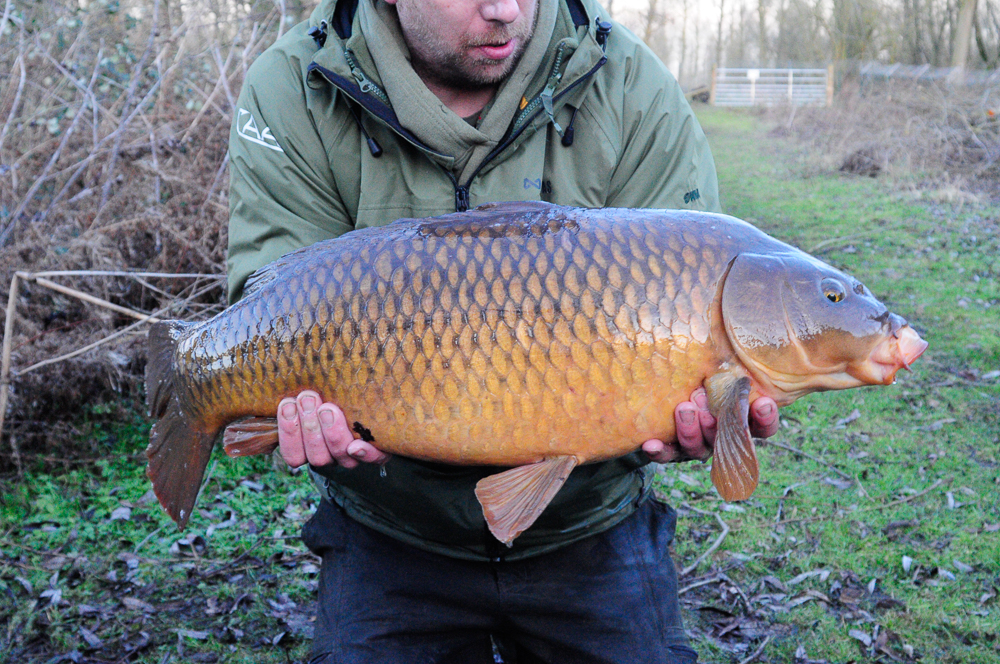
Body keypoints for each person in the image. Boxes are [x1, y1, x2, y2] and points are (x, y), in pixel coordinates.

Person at [227, 0, 779, 661]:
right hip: (389, 523)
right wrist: (292, 410)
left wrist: (708, 421)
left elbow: (694, 297)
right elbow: (269, 299)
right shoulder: (296, 83)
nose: (506, 10)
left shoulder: (630, 84)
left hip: (590, 520)